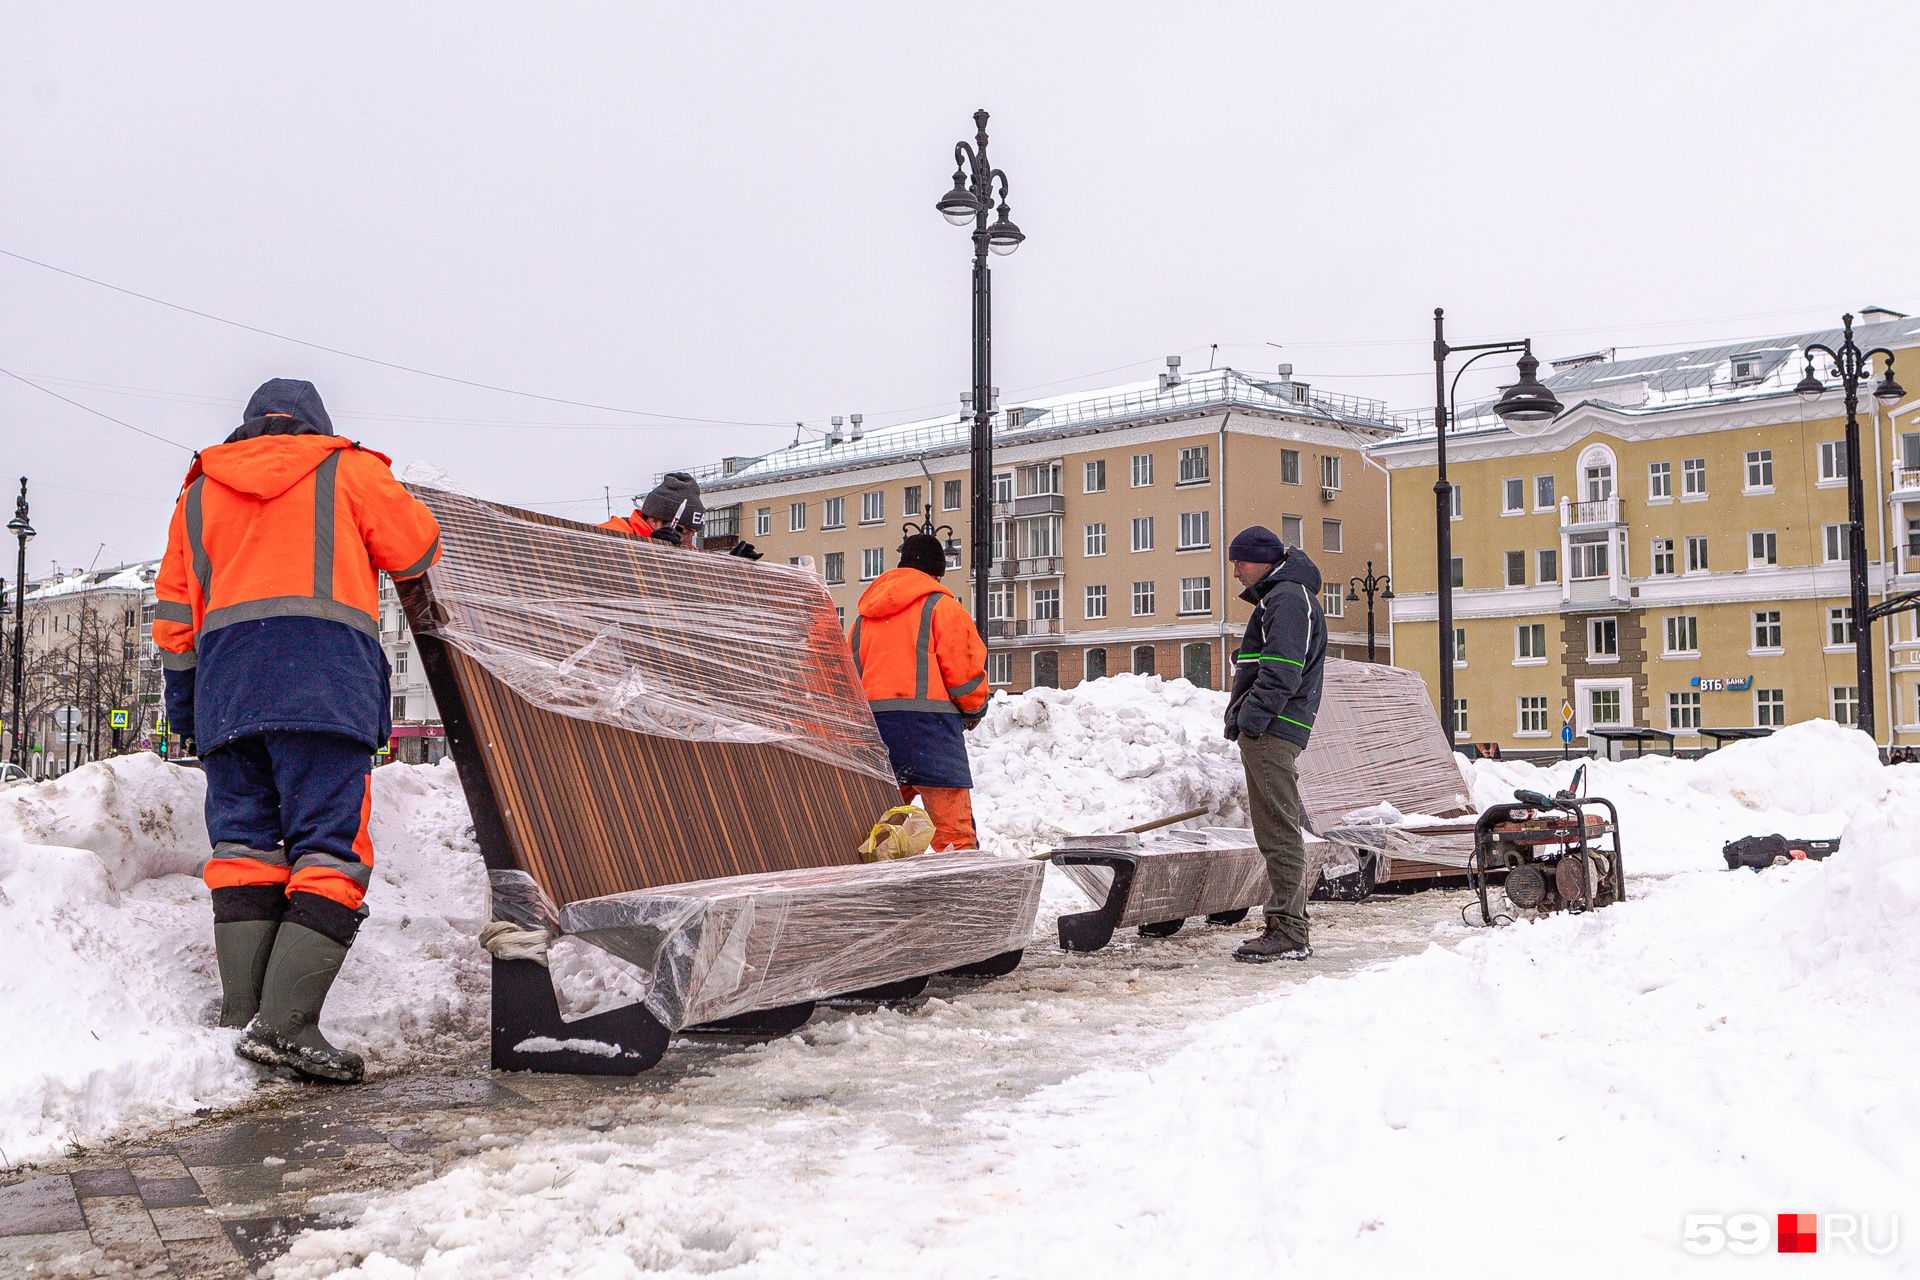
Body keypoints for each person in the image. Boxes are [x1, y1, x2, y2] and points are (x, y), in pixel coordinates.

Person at [153, 378, 442, 1083]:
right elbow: (417, 550)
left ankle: (243, 1015)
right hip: (323, 688)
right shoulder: (350, 470)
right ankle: (284, 1026)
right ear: (316, 424)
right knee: (331, 848)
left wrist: (189, 709)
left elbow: (172, 620)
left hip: (227, 695)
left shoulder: (196, 496)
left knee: (245, 846)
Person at [1221, 525, 1326, 963]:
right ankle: (1286, 924)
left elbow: (1281, 669)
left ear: (1262, 559)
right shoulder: (1282, 597)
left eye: (1240, 562)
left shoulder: (1285, 598)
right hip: (1272, 728)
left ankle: (1288, 929)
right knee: (1276, 830)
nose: (1237, 572)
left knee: (1278, 832)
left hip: (1273, 731)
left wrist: (1253, 720)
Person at [850, 528, 989, 850]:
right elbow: (965, 673)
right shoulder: (944, 608)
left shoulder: (863, 619)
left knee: (881, 831)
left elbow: (849, 675)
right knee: (952, 830)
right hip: (930, 733)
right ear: (938, 572)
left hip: (877, 733)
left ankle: (879, 890)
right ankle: (964, 889)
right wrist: (973, 710)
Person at [600, 471, 762, 558]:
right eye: (682, 530)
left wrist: (730, 566)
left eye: (692, 532)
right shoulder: (612, 533)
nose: (688, 542)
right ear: (655, 521)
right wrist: (648, 550)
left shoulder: (684, 549)